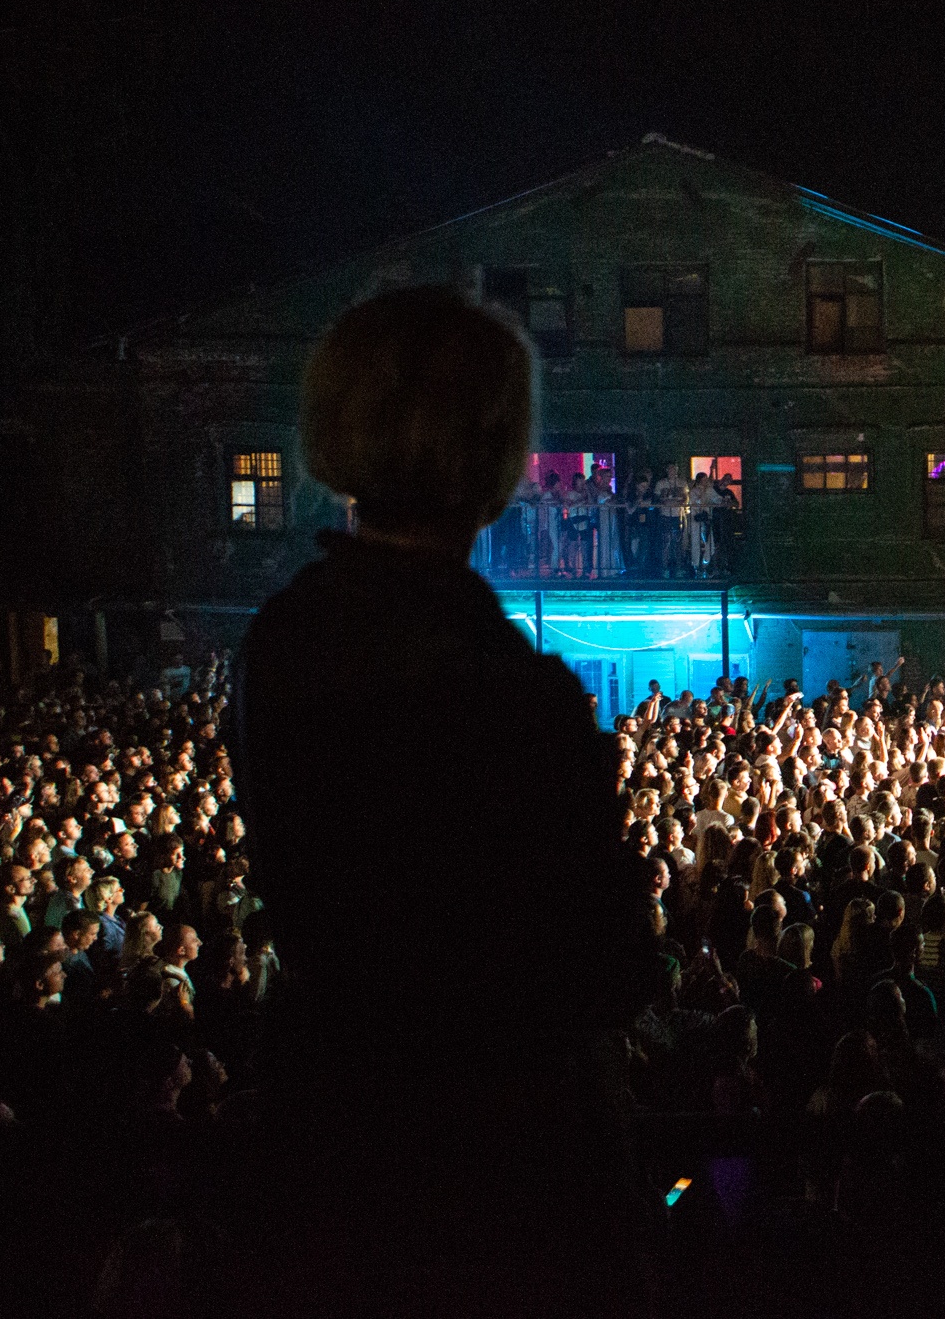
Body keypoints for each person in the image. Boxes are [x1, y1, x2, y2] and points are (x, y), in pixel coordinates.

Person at [236, 286, 658, 1315]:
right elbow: (613, 967)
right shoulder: (512, 689)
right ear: (497, 460)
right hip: (503, 1187)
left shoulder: (277, 644)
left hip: (329, 1157)